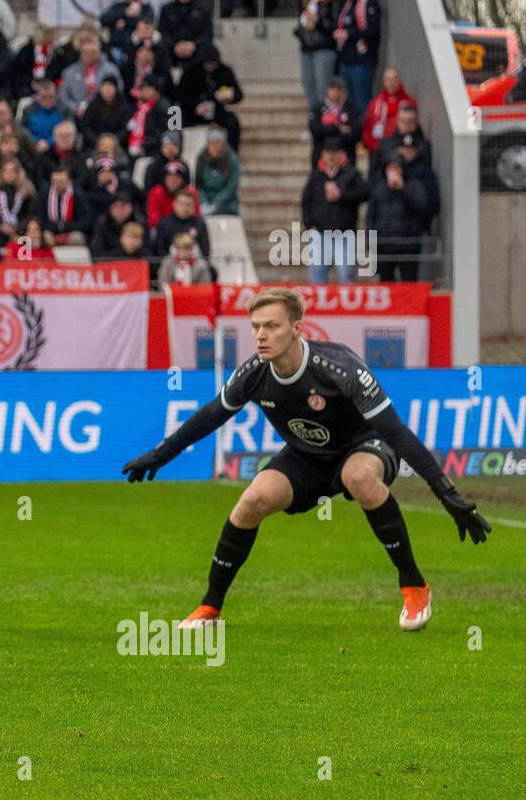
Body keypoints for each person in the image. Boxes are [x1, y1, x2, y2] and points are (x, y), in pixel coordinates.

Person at [122, 287, 490, 630]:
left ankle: (413, 586)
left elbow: (396, 433)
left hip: (364, 445)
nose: (261, 336)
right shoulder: (253, 373)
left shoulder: (341, 368)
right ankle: (211, 607)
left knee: (359, 477)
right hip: (306, 456)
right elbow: (210, 416)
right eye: (255, 327)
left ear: (297, 328)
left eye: (271, 326)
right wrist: (160, 454)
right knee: (251, 501)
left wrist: (445, 492)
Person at [301, 137, 368, 282]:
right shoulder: (316, 176)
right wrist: (308, 224)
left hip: (344, 234)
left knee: (346, 276)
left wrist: (341, 195)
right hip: (320, 233)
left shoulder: (352, 174)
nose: (331, 156)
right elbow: (306, 201)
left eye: (334, 152)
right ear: (323, 155)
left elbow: (365, 193)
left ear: (341, 154)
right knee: (316, 277)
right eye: (328, 152)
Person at [367, 153, 429, 282]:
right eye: (390, 168)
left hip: (407, 245)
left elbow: (422, 208)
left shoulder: (414, 186)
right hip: (384, 245)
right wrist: (371, 239)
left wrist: (403, 189)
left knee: (409, 282)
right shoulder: (379, 189)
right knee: (386, 283)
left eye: (396, 168)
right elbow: (371, 216)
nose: (393, 172)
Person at [176, 43, 243, 151]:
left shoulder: (225, 71)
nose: (211, 67)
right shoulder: (190, 71)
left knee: (233, 122)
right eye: (208, 64)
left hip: (216, 110)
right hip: (192, 112)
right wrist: (195, 107)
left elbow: (239, 95)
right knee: (175, 122)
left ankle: (232, 154)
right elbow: (181, 95)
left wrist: (230, 97)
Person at [334, 0, 382, 114]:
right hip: (346, 60)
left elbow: (372, 29)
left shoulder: (369, 2)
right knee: (350, 105)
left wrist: (348, 34)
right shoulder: (347, 4)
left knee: (363, 103)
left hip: (362, 62)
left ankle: (365, 136)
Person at [296, 0, 339, 109]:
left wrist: (318, 20)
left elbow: (332, 26)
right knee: (309, 86)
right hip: (307, 48)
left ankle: (327, 119)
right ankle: (315, 121)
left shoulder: (331, 2)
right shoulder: (309, 0)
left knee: (323, 87)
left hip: (323, 48)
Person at [157, 0, 213, 70]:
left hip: (195, 48)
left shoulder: (203, 9)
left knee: (210, 50)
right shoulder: (166, 9)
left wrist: (194, 44)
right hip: (172, 48)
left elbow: (208, 32)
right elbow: (162, 31)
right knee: (161, 48)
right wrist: (174, 45)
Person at [58, 36, 122, 117]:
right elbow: (63, 96)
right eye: (86, 52)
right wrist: (75, 108)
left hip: (104, 114)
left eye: (93, 52)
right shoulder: (69, 72)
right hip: (76, 115)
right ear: (80, 53)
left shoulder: (111, 70)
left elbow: (119, 90)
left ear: (99, 52)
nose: (89, 56)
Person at [101, 0, 155, 72]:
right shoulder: (118, 6)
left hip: (137, 47)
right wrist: (124, 13)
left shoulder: (146, 7)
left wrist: (125, 22)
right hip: (117, 47)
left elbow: (147, 23)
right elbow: (103, 19)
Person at [362, 67, 414, 157]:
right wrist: (373, 146)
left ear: (399, 80)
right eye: (388, 79)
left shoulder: (408, 103)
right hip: (377, 150)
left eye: (394, 79)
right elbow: (368, 126)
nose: (391, 83)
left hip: (400, 150)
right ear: (384, 82)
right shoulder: (375, 103)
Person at [309, 76, 361, 164]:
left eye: (339, 89)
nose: (335, 92)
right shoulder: (318, 109)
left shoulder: (352, 109)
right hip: (321, 157)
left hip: (346, 158)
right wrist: (337, 127)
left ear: (344, 91)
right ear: (327, 90)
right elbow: (315, 130)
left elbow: (355, 134)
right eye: (332, 88)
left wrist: (327, 129)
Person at [195, 128, 240, 216]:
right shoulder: (201, 158)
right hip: (205, 201)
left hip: (227, 203)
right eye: (211, 143)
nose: (214, 146)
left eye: (217, 142)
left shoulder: (232, 159)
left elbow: (231, 186)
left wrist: (216, 203)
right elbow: (198, 184)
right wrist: (204, 202)